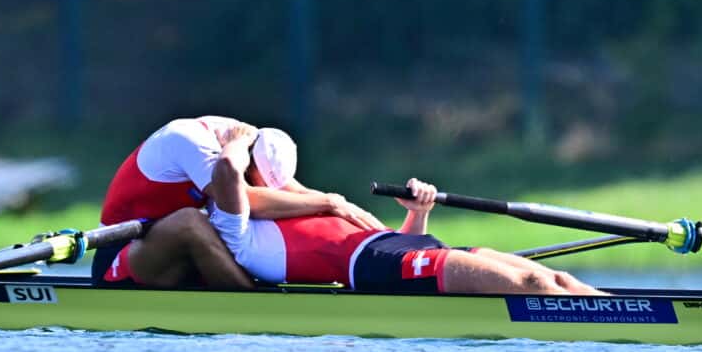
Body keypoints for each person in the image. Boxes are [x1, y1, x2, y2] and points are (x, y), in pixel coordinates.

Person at [208, 144, 599, 298]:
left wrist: (418, 211)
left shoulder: (299, 203)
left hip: (400, 250)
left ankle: (623, 319)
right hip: (372, 265)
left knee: (561, 280)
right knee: (534, 285)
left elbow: (400, 244)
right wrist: (240, 137)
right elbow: (227, 170)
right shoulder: (235, 230)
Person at [94, 117, 383, 289]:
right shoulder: (193, 143)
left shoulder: (250, 143)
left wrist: (348, 210)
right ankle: (253, 304)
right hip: (121, 253)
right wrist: (327, 202)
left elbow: (298, 194)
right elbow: (246, 199)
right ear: (247, 163)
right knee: (191, 222)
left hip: (167, 249)